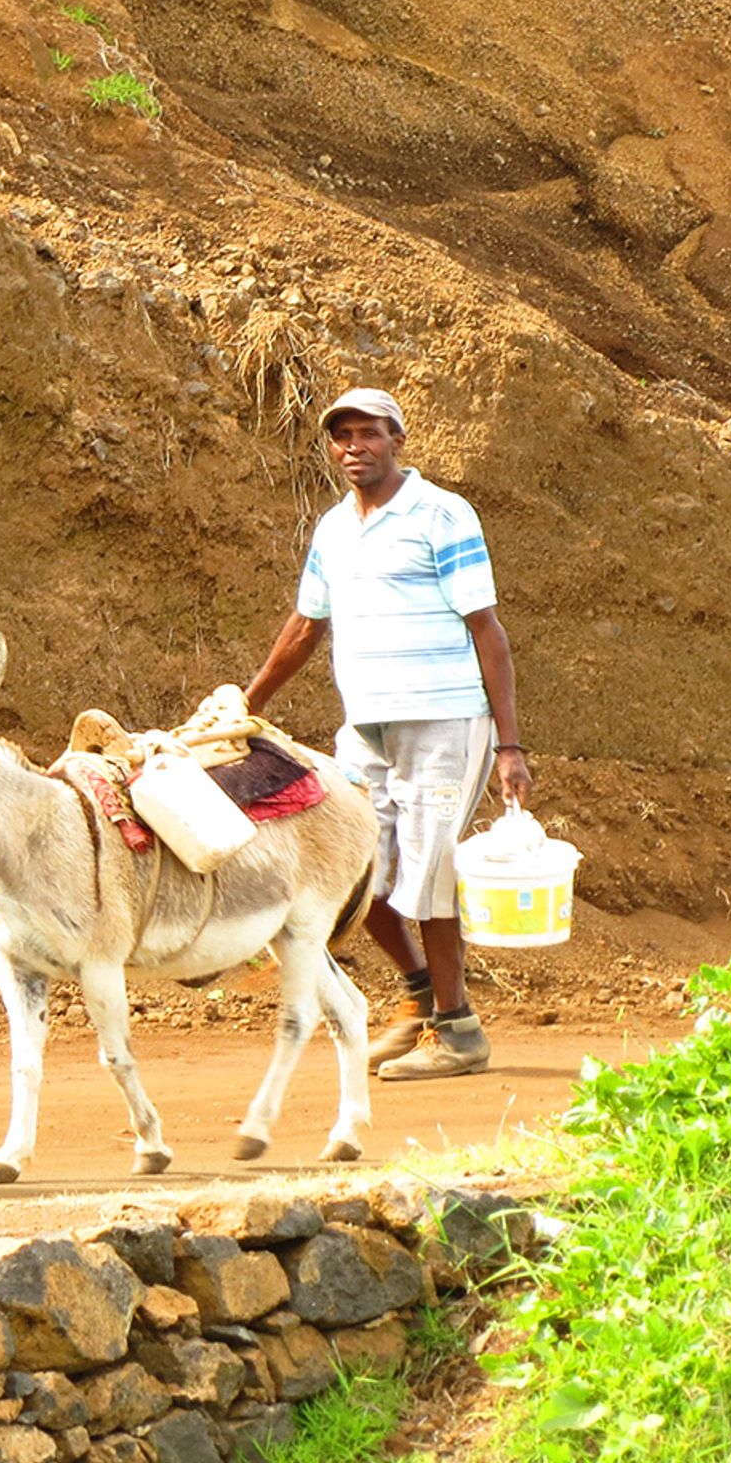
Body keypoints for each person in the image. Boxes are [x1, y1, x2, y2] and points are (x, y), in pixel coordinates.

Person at [244, 387, 530, 1080]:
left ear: (397, 439)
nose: (353, 448)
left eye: (367, 433)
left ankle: (459, 1035)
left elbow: (486, 631)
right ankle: (421, 992)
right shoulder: (334, 530)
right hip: (366, 728)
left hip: (445, 722)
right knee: (351, 872)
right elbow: (305, 627)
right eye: (341, 437)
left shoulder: (442, 514)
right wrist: (243, 705)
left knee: (429, 876)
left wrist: (510, 747)